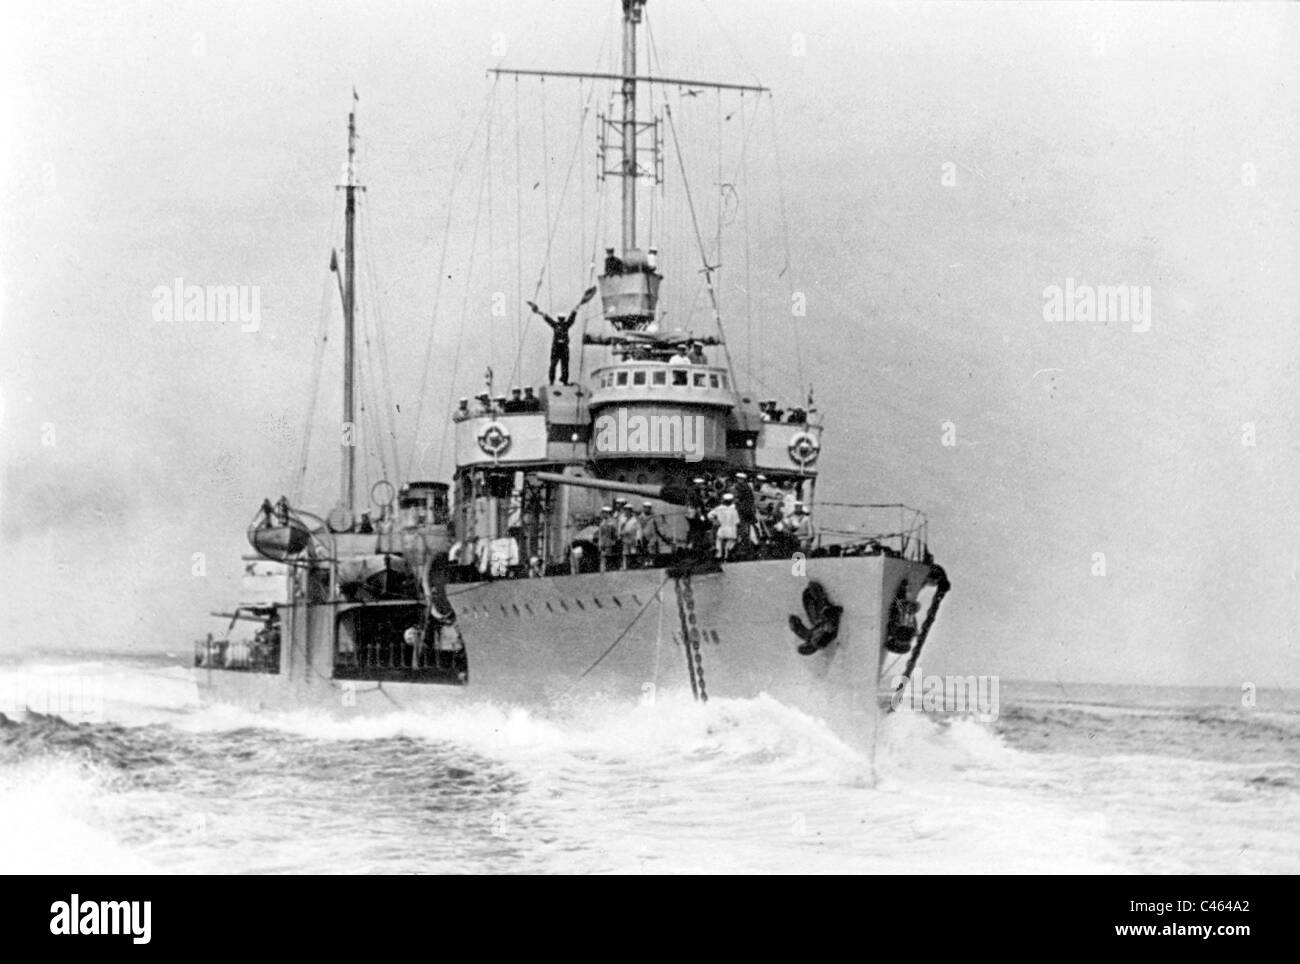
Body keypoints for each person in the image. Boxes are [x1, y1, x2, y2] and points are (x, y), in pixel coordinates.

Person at [527, 286, 597, 385]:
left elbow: (569, 317)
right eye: (560, 318)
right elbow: (547, 317)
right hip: (557, 348)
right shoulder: (559, 325)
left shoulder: (561, 325)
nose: (561, 320)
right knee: (554, 365)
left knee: (563, 366)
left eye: (561, 318)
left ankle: (563, 381)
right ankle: (553, 381)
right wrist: (537, 311)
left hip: (562, 347)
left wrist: (576, 308)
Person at [707, 493, 740, 561]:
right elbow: (737, 521)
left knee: (719, 540)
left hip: (722, 529)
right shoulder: (734, 510)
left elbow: (709, 515)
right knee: (731, 541)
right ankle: (727, 554)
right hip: (732, 529)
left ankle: (718, 555)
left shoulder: (719, 508)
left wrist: (715, 520)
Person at [597, 506, 620, 572]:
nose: (602, 514)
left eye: (604, 513)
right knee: (603, 558)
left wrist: (614, 541)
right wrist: (600, 544)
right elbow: (600, 534)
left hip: (610, 544)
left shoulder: (613, 522)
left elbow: (615, 533)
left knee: (609, 558)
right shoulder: (602, 522)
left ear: (607, 513)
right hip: (603, 543)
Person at [618, 505, 641, 569]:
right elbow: (619, 528)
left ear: (631, 511)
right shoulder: (622, 519)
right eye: (625, 510)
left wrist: (638, 538)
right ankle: (625, 566)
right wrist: (619, 536)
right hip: (625, 537)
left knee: (633, 551)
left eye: (628, 510)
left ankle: (633, 566)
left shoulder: (635, 519)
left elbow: (638, 529)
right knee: (625, 552)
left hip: (632, 537)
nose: (626, 511)